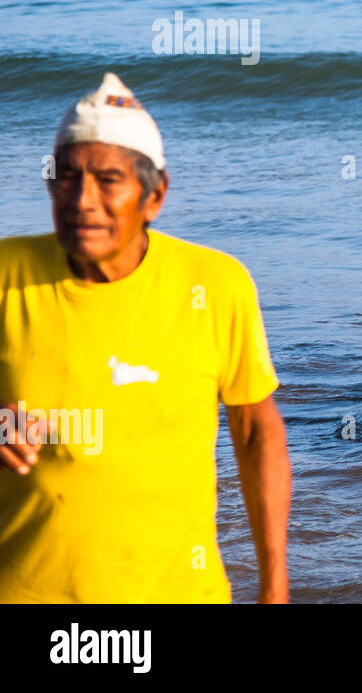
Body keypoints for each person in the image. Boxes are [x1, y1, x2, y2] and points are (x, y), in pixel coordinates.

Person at [0, 73, 290, 603]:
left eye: (107, 180)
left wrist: (274, 587)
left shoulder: (215, 284)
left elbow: (255, 434)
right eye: (66, 178)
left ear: (155, 195)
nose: (82, 200)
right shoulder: (6, 273)